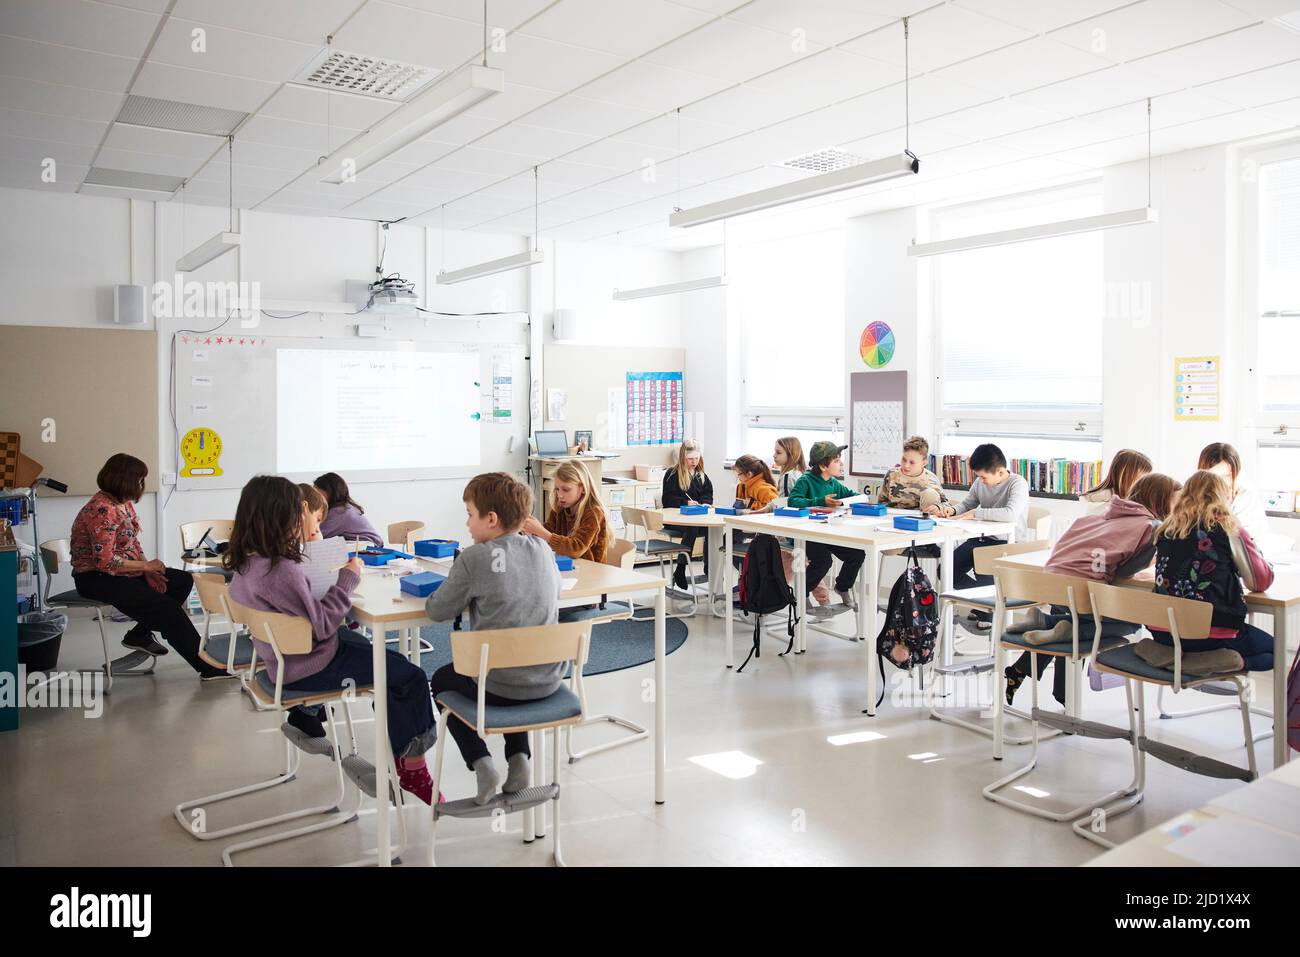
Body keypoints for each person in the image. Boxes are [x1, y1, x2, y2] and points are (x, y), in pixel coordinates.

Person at [227, 476, 438, 803]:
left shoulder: (248, 562)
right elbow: (324, 625)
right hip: (309, 664)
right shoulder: (281, 569)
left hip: (282, 659)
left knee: (381, 659)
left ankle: (309, 717)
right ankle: (412, 769)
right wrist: (347, 579)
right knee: (409, 676)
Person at [426, 473, 563, 805]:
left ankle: (481, 762)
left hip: (499, 689)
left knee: (443, 679)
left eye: (470, 515)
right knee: (514, 660)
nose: (467, 524)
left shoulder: (474, 558)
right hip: (548, 681)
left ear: (491, 518)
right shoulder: (543, 549)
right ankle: (519, 758)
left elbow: (438, 611)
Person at [1005, 473, 1182, 706]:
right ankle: (1063, 691)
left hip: (1055, 588)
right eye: (1175, 503)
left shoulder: (1100, 516)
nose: (1178, 509)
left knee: (1070, 621)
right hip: (1084, 595)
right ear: (1160, 500)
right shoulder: (1151, 527)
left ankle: (1043, 663)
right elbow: (1125, 571)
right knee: (1129, 624)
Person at [70, 453, 225, 678]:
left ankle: (139, 634)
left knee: (180, 580)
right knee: (168, 610)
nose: (142, 485)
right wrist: (145, 568)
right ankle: (208, 667)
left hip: (121, 571)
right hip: (96, 578)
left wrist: (148, 569)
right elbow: (104, 562)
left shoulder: (123, 504)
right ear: (123, 480)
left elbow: (132, 543)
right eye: (139, 480)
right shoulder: (101, 510)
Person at [1143, 470, 1275, 674]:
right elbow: (1259, 582)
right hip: (1212, 633)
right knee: (1276, 652)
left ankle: (1187, 660)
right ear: (1223, 498)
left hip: (1165, 633)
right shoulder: (1228, 529)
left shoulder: (1166, 530)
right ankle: (1233, 663)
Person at [932, 443, 1029, 629]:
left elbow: (1010, 514)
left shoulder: (1018, 483)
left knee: (983, 569)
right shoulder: (980, 483)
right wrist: (950, 511)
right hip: (980, 537)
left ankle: (988, 607)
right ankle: (985, 604)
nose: (981, 481)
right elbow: (967, 504)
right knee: (946, 570)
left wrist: (977, 513)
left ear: (1000, 472)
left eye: (984, 477)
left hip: (1005, 542)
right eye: (979, 477)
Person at [788, 441, 863, 611]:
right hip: (805, 534)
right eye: (837, 461)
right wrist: (821, 501)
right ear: (823, 466)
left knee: (856, 554)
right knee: (823, 561)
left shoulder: (833, 482)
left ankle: (842, 587)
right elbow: (793, 501)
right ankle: (802, 592)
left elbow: (851, 495)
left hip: (826, 532)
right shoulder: (806, 480)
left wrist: (863, 501)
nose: (841, 464)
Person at [772, 437, 831, 609]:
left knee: (784, 569)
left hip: (790, 532)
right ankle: (822, 601)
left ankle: (771, 603)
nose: (774, 456)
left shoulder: (788, 476)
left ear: (790, 454)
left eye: (778, 452)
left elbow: (782, 504)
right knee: (803, 566)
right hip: (805, 531)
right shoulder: (803, 474)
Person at [521, 461, 610, 563]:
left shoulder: (594, 513)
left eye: (566, 490)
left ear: (583, 488)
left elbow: (577, 548)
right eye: (557, 489)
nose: (560, 495)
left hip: (592, 571)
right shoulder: (559, 509)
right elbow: (548, 531)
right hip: (570, 569)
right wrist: (531, 531)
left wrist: (541, 532)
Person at [661, 439, 714, 590]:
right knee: (692, 527)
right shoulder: (672, 474)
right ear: (683, 457)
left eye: (697, 458)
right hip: (677, 521)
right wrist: (685, 502)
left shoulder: (700, 475)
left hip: (697, 519)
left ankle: (709, 566)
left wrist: (705, 502)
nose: (694, 462)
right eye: (690, 459)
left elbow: (707, 493)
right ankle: (680, 569)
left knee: (713, 530)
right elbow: (667, 499)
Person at [878, 435, 948, 512]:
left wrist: (938, 507)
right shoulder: (891, 474)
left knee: (930, 493)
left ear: (924, 463)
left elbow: (946, 504)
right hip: (891, 518)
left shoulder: (932, 479)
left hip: (918, 519)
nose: (906, 465)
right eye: (904, 460)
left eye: (912, 462)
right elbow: (881, 502)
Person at [314, 472, 383, 548]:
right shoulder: (344, 507)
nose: (314, 496)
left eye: (317, 492)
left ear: (329, 492)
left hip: (369, 548)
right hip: (365, 546)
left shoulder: (339, 512)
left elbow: (315, 534)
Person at [1077, 449, 1152, 517]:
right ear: (1125, 476)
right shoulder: (1104, 501)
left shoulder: (1129, 499)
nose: (1144, 483)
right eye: (1141, 478)